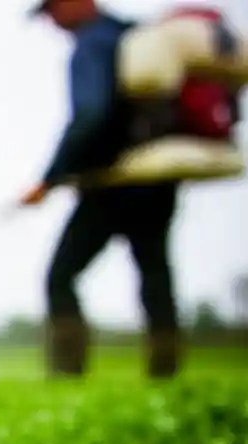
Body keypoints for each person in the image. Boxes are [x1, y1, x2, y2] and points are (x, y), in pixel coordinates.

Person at [21, 0, 183, 379]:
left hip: (111, 182)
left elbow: (90, 115)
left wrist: (50, 179)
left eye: (53, 10)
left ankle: (67, 373)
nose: (52, 21)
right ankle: (165, 373)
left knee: (61, 275)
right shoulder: (133, 36)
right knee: (155, 273)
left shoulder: (92, 44)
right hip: (157, 178)